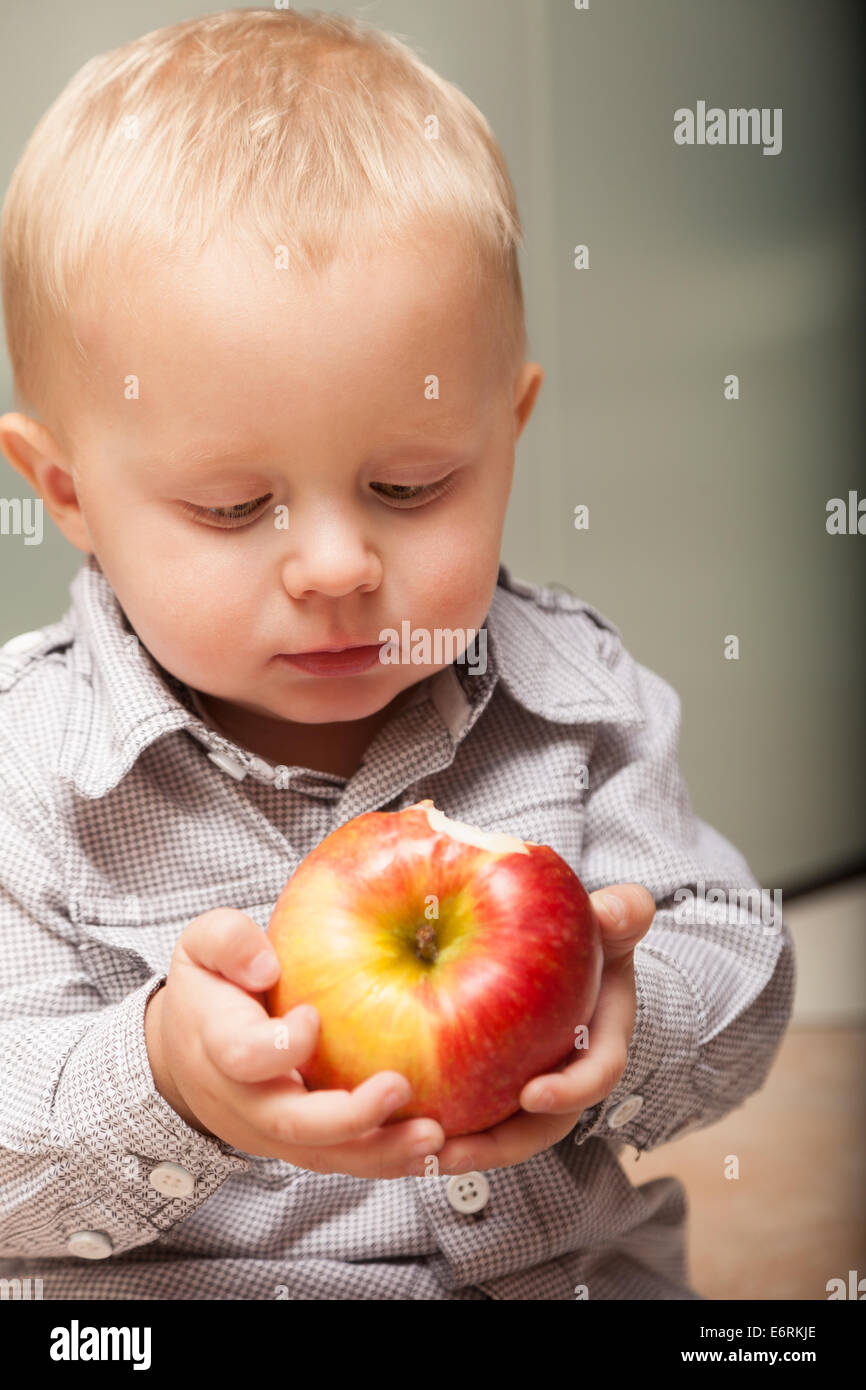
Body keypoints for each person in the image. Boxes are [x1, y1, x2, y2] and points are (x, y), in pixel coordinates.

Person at [0, 8, 794, 1300]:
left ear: (510, 426)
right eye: (230, 507)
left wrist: (623, 1008)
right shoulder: (29, 769)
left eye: (411, 485)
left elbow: (744, 965)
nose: (335, 566)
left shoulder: (571, 698)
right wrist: (164, 1078)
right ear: (67, 491)